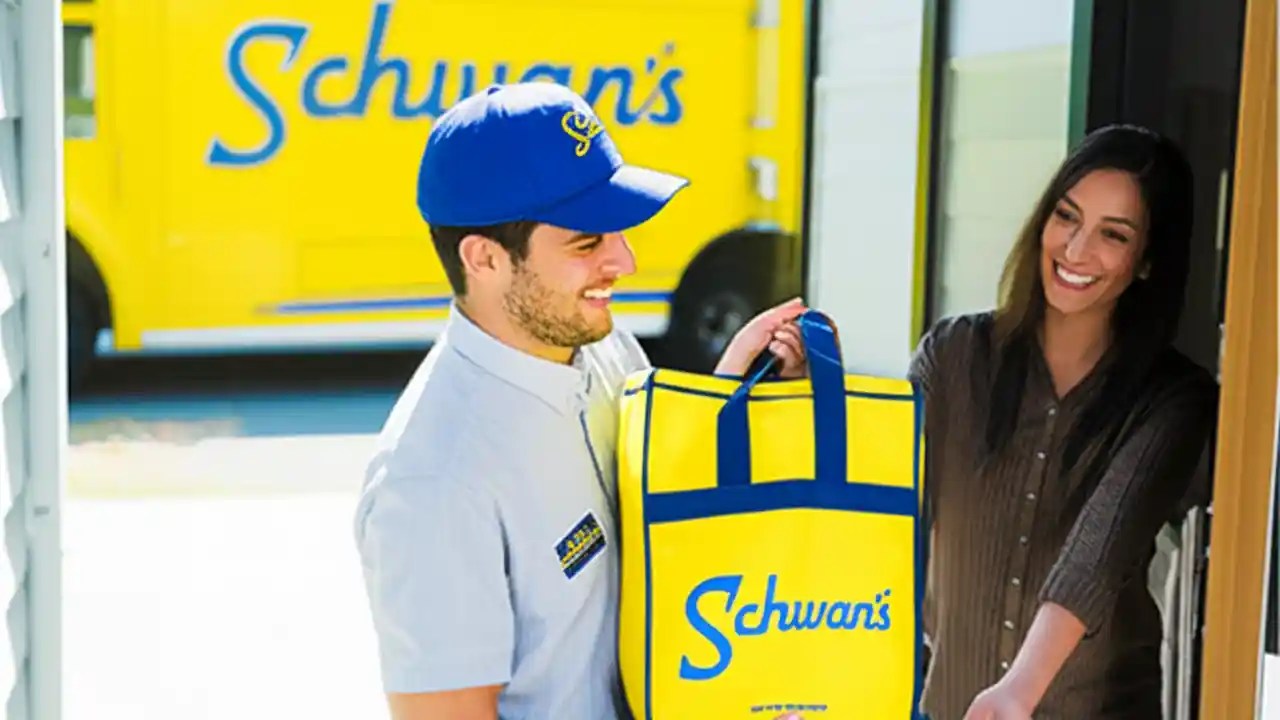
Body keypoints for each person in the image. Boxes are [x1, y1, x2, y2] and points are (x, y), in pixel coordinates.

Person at [352, 81, 809, 720]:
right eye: (586, 242)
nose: (625, 259)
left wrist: (736, 383)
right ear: (483, 259)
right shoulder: (434, 481)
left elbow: (654, 493)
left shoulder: (603, 349)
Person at [908, 125, 1218, 719]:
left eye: (1113, 235)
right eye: (1066, 217)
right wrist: (796, 384)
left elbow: (1102, 544)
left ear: (1147, 260)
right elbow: (874, 490)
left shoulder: (1173, 398)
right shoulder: (955, 356)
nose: (1076, 251)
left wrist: (1018, 690)